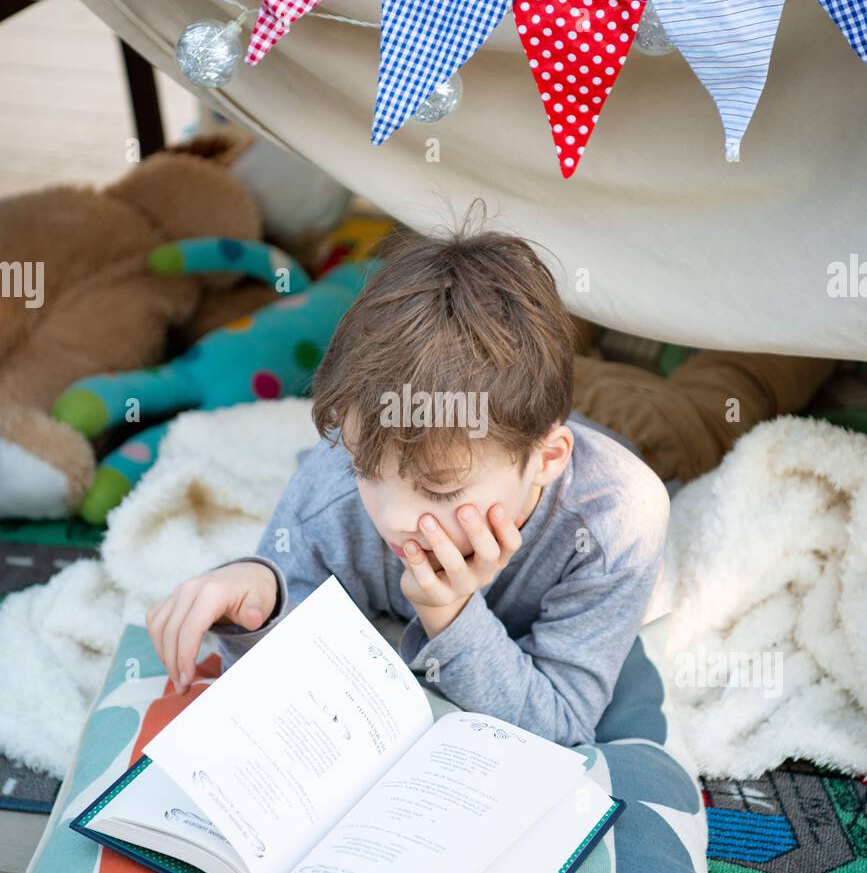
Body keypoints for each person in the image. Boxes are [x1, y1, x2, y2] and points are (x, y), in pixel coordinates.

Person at [146, 207, 670, 747]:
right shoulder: (333, 484)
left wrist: (450, 613)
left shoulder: (614, 522)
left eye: (440, 488)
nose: (393, 519)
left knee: (682, 417)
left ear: (548, 458)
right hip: (510, 420)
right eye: (364, 469)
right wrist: (258, 599)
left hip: (634, 431)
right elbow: (285, 652)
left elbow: (560, 724)